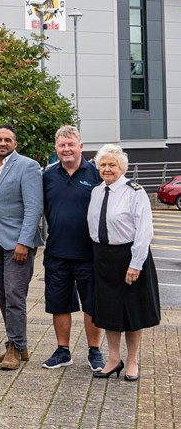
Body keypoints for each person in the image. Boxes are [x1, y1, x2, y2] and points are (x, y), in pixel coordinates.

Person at [88, 144, 160, 382]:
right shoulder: (97, 191)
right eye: (103, 165)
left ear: (122, 167)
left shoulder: (134, 191)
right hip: (103, 257)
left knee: (132, 313)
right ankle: (113, 359)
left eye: (112, 165)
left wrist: (136, 263)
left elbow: (144, 231)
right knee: (108, 312)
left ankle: (132, 361)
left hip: (128, 257)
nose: (107, 169)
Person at [0, 124, 43, 370]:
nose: (2, 143)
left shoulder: (28, 166)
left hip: (18, 244)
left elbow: (34, 207)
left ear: (15, 143)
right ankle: (19, 344)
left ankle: (14, 349)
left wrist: (24, 242)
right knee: (3, 295)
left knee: (15, 296)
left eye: (7, 139)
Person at [40, 125, 104, 371]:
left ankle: (94, 350)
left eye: (70, 144)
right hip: (57, 253)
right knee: (59, 304)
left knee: (92, 305)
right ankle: (62, 350)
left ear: (80, 146)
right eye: (62, 145)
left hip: (89, 254)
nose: (66, 149)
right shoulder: (48, 176)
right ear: (56, 149)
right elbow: (47, 210)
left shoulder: (96, 174)